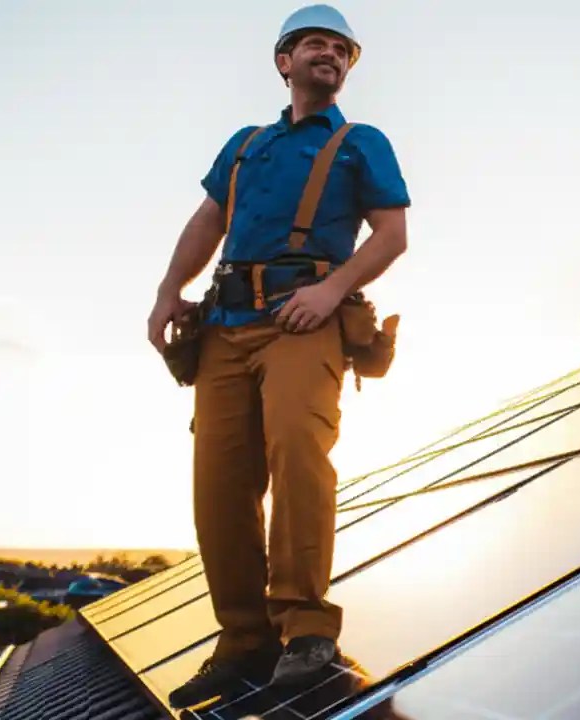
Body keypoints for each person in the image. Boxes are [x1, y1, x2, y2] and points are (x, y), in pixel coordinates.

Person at [145, 4, 410, 709]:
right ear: (283, 61)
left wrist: (331, 293)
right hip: (224, 325)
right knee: (220, 482)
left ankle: (307, 635)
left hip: (303, 320)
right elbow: (209, 220)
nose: (329, 55)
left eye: (341, 50)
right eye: (314, 44)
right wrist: (170, 291)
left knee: (298, 451)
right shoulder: (245, 144)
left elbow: (390, 235)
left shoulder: (361, 141)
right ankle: (242, 643)